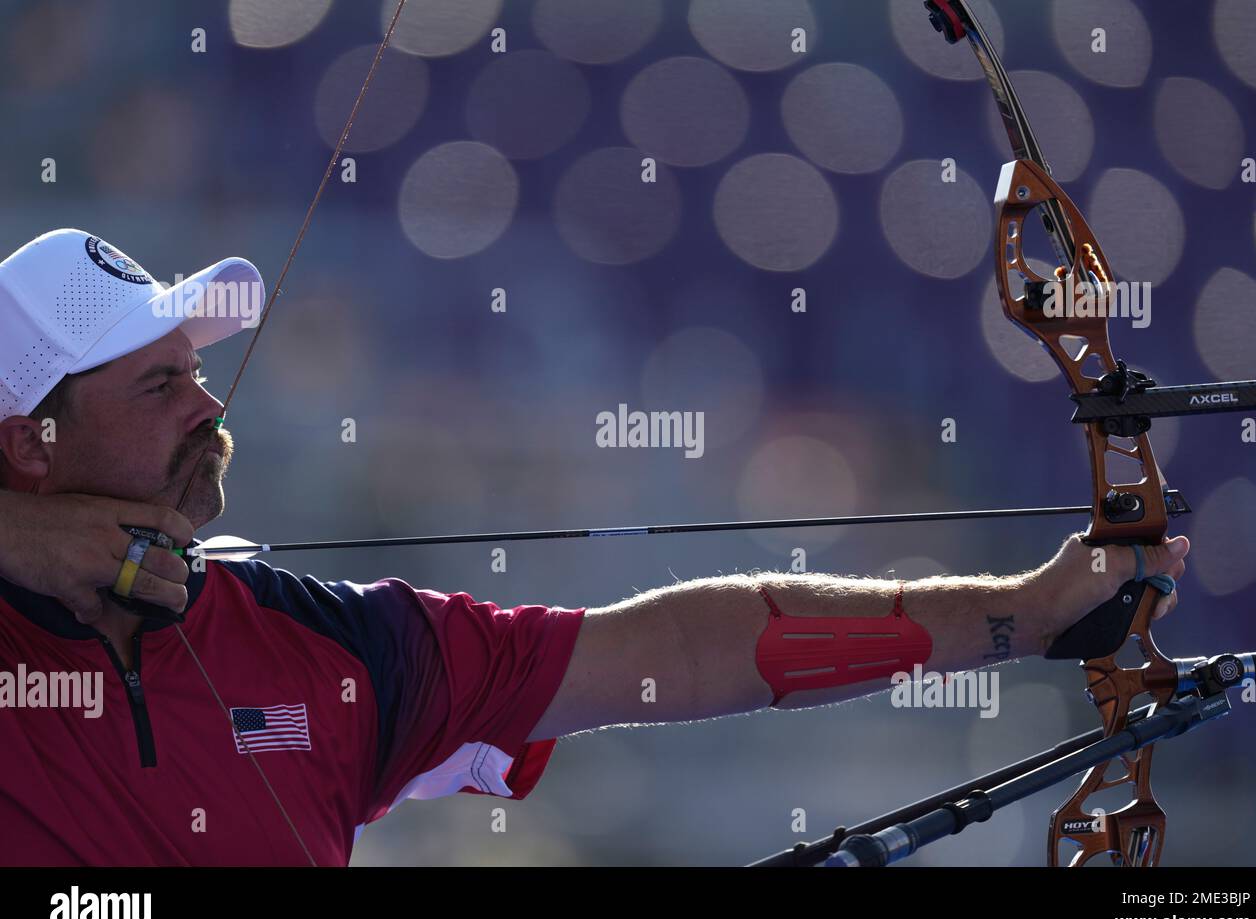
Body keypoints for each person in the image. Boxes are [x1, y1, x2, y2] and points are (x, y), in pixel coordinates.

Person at [0, 229, 1189, 865]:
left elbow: (671, 647)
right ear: (34, 445)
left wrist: (1027, 610)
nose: (209, 408)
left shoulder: (318, 642)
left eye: (200, 373)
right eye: (159, 383)